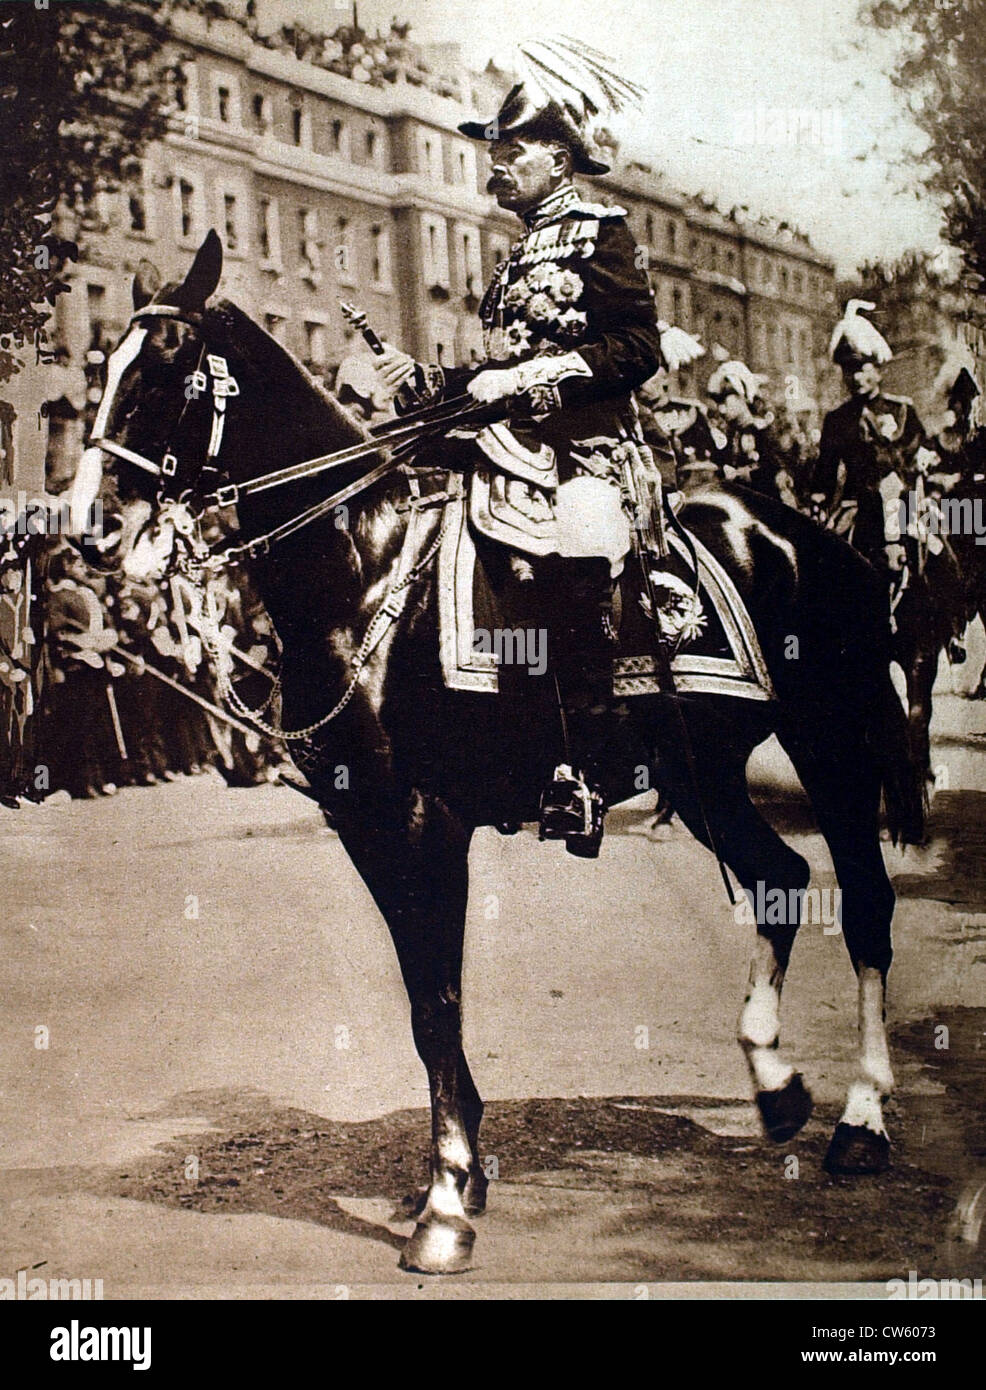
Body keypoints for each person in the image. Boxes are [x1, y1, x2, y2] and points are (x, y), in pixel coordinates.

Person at [371, 62, 661, 856]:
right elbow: (491, 371)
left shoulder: (603, 232)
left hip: (586, 448)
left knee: (571, 561)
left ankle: (588, 767)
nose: (496, 163)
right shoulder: (509, 262)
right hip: (510, 449)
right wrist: (429, 380)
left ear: (559, 158)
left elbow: (638, 349)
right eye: (493, 150)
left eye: (512, 149)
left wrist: (533, 375)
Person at [810, 300, 924, 571]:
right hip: (858, 510)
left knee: (936, 557)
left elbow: (915, 463)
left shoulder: (903, 411)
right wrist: (817, 500)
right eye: (848, 369)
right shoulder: (837, 419)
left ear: (878, 367)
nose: (855, 376)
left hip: (905, 507)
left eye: (862, 367)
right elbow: (825, 474)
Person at [706, 357, 781, 497]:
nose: (722, 409)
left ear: (741, 397)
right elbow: (718, 463)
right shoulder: (728, 433)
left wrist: (740, 473)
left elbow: (773, 467)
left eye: (726, 400)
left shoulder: (761, 430)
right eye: (719, 403)